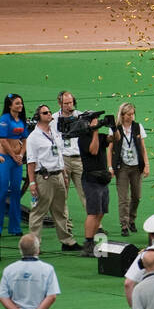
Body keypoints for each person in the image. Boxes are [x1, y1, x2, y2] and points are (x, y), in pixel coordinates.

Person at [26, 104, 82, 250]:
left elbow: (59, 155)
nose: (49, 114)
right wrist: (32, 183)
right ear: (38, 117)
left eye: (50, 112)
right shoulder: (34, 137)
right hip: (44, 177)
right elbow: (31, 162)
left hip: (58, 175)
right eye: (45, 113)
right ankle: (34, 245)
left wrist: (63, 174)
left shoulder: (55, 132)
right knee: (38, 212)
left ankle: (67, 241)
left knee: (61, 210)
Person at [0, 94, 29, 239]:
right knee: (2, 191)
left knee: (16, 192)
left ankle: (15, 227)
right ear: (10, 106)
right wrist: (14, 156)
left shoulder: (21, 120)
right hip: (5, 159)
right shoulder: (4, 119)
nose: (20, 106)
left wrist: (21, 155)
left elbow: (25, 139)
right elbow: (3, 140)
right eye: (17, 104)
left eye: (21, 103)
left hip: (17, 160)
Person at [111, 102, 149, 236]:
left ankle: (132, 219)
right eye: (128, 114)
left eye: (132, 114)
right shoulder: (115, 128)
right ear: (122, 115)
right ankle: (124, 225)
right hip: (122, 167)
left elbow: (143, 148)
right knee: (123, 198)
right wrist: (110, 167)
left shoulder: (138, 127)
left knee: (137, 196)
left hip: (136, 166)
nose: (131, 117)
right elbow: (110, 149)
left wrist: (146, 164)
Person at [78, 114, 112, 257]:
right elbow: (93, 150)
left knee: (101, 211)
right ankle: (88, 243)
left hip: (102, 179)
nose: (97, 123)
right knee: (93, 212)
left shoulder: (100, 136)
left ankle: (93, 241)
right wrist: (96, 132)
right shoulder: (83, 138)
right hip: (91, 180)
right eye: (94, 121)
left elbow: (114, 140)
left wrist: (114, 127)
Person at [57, 91, 86, 227]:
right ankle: (65, 224)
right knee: (63, 194)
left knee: (86, 192)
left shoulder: (80, 116)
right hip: (63, 159)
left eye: (71, 102)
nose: (69, 106)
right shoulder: (54, 119)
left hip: (79, 159)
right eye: (66, 103)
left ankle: (96, 225)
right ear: (60, 104)